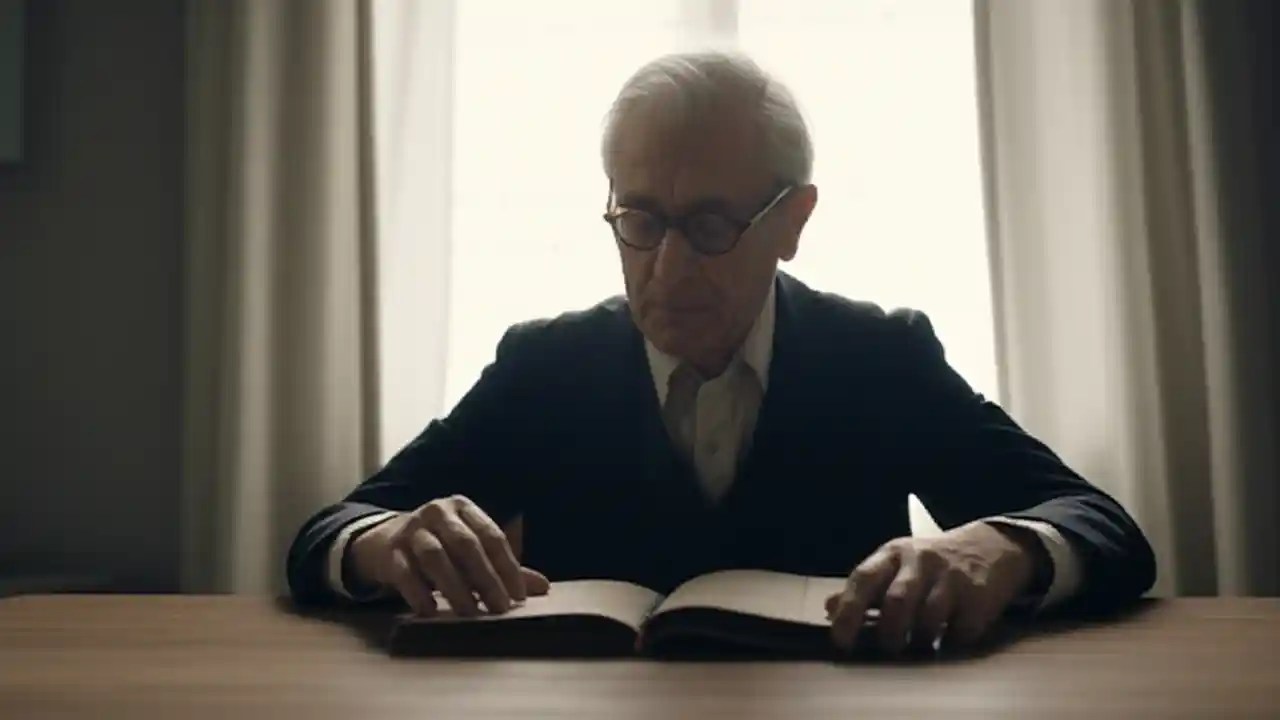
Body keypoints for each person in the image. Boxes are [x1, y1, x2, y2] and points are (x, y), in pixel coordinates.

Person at [287, 51, 1155, 655]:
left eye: (708, 225)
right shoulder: (544, 367)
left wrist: (999, 547)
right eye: (638, 220)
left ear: (793, 221)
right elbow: (327, 534)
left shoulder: (880, 359)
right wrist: (388, 541)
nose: (667, 269)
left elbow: (1103, 526)